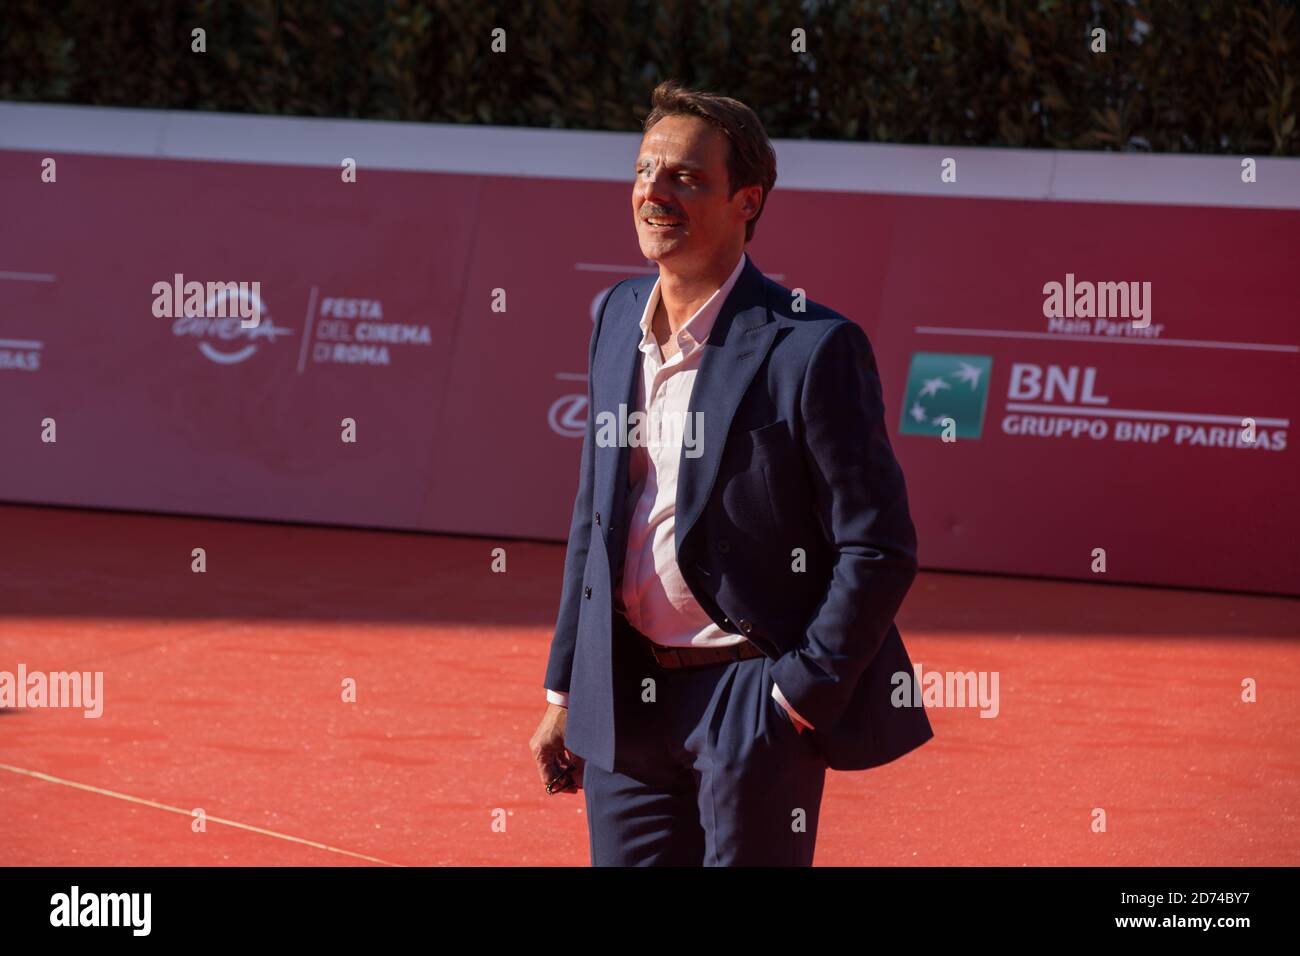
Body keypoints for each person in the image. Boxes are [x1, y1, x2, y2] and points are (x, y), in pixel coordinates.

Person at [528, 80, 933, 866]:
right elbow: (597, 517)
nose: (655, 190)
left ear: (747, 200)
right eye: (646, 170)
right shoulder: (615, 315)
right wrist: (567, 692)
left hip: (749, 699)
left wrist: (794, 697)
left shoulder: (811, 346)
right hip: (627, 699)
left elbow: (879, 545)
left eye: (686, 176)